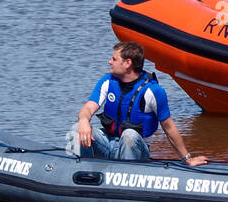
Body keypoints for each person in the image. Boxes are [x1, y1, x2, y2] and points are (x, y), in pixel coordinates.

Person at [73, 41, 207, 163]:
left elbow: (169, 127)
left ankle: (126, 179)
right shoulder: (107, 81)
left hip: (137, 149)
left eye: (114, 59)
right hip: (108, 143)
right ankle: (84, 172)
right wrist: (84, 121)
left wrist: (187, 158)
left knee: (129, 135)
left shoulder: (153, 91)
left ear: (127, 63)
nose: (109, 61)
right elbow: (88, 108)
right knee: (78, 129)